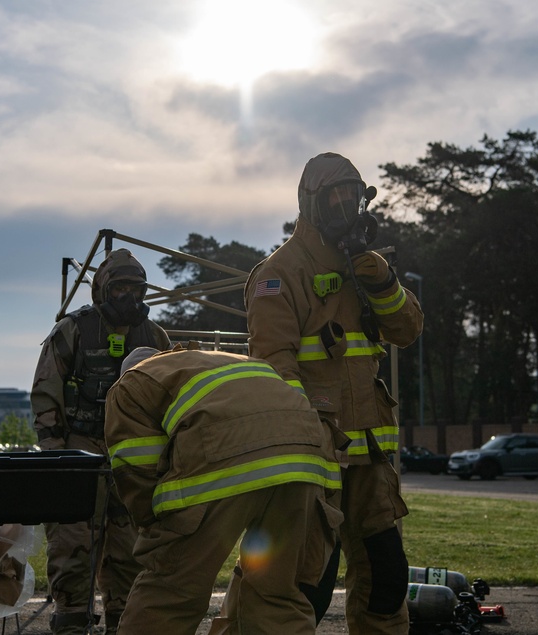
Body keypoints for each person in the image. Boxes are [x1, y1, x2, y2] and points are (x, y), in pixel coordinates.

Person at [244, 152, 424, 634]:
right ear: (311, 204)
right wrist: (314, 439)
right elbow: (274, 372)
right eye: (334, 196)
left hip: (370, 457)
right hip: (316, 458)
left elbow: (407, 331)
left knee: (386, 576)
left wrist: (384, 283)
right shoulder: (279, 275)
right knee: (304, 583)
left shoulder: (365, 267)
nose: (345, 204)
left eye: (352, 194)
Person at [104, 346, 344, 635]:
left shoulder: (131, 382)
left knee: (171, 592)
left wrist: (156, 530)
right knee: (277, 594)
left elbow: (136, 469)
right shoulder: (218, 362)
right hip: (306, 461)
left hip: (223, 452)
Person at [31, 248, 171, 635]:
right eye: (121, 287)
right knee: (73, 544)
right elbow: (46, 393)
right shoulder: (72, 330)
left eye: (136, 288)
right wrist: (56, 456)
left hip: (133, 456)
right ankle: (72, 619)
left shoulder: (154, 336)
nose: (129, 296)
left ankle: (123, 622)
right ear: (103, 290)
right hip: (79, 452)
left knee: (130, 549)